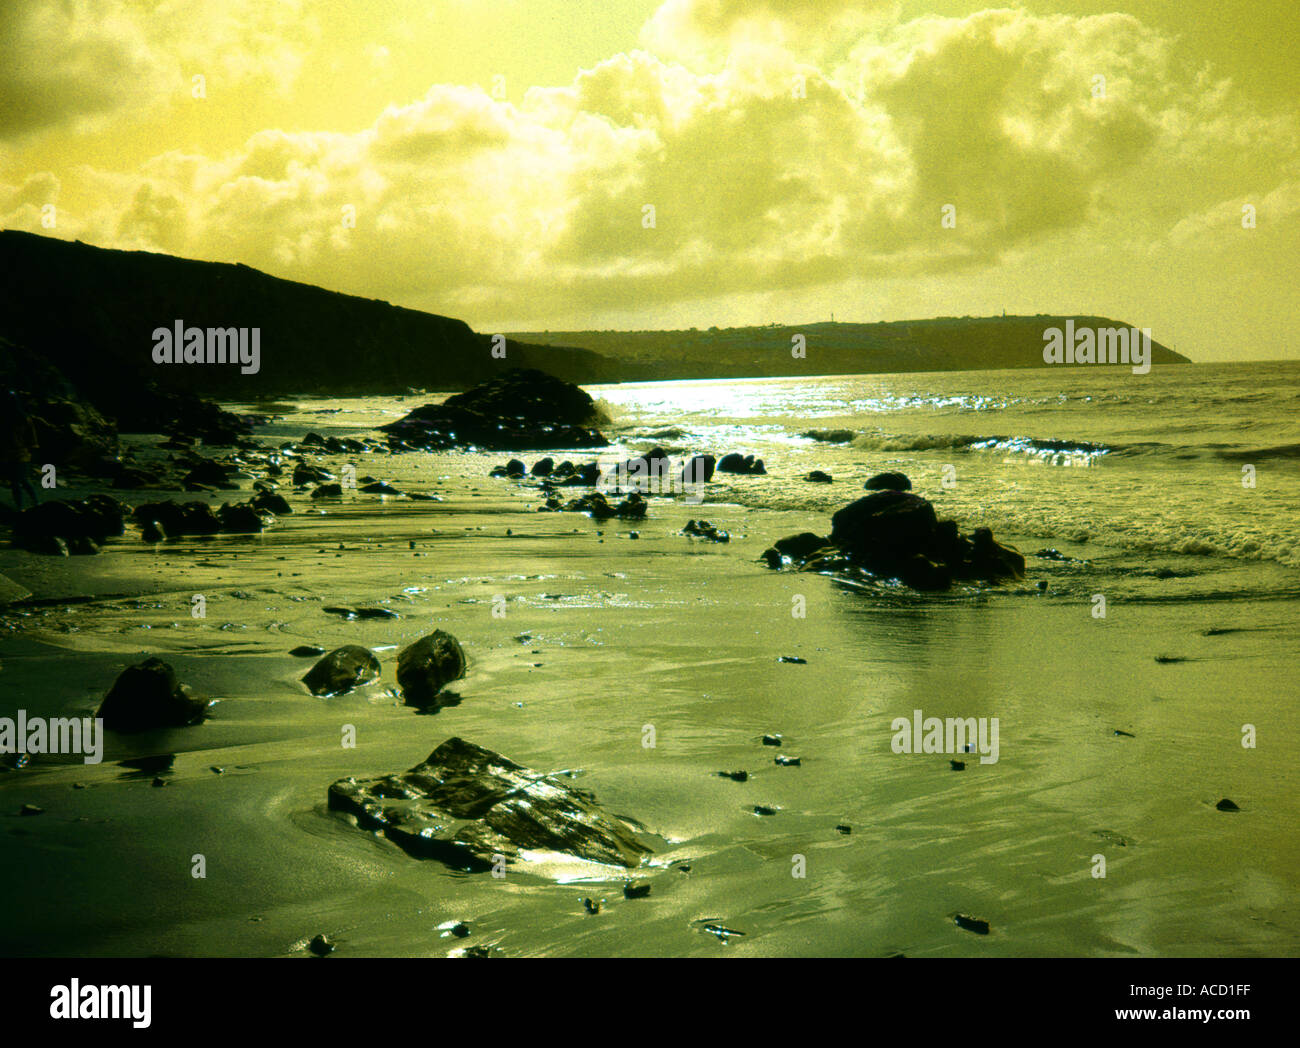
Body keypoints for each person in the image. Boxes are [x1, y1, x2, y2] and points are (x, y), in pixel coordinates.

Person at [0, 389, 39, 510]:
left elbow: (31, 439)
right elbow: (32, 439)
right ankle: (31, 503)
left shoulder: (9, 419)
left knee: (18, 482)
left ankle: (23, 506)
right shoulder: (23, 418)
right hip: (19, 454)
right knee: (20, 481)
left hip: (16, 454)